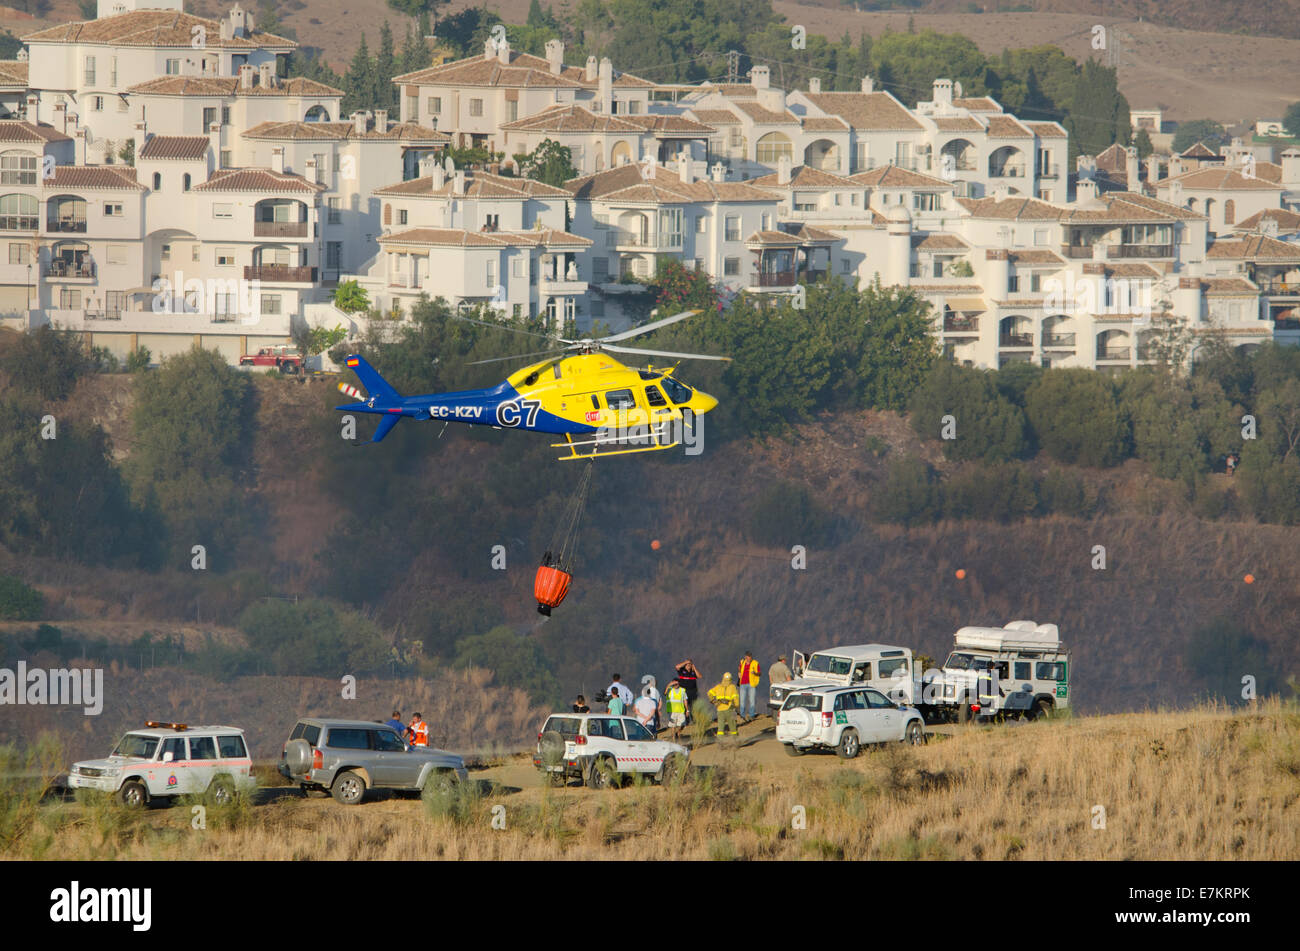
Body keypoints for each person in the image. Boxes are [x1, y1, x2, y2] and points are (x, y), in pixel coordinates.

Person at [708, 672, 740, 738]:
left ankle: (720, 742)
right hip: (729, 709)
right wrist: (737, 706)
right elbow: (736, 698)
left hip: (719, 709)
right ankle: (735, 741)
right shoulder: (732, 687)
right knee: (732, 726)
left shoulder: (718, 686)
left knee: (720, 727)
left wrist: (713, 701)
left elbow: (709, 693)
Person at [737, 651, 761, 722]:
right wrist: (739, 672)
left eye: (750, 656)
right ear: (745, 657)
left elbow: (759, 673)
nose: (748, 658)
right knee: (742, 700)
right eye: (747, 656)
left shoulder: (755, 663)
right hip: (742, 684)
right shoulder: (742, 662)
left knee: (752, 700)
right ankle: (742, 715)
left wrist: (755, 673)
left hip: (751, 684)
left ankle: (751, 715)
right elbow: (739, 668)